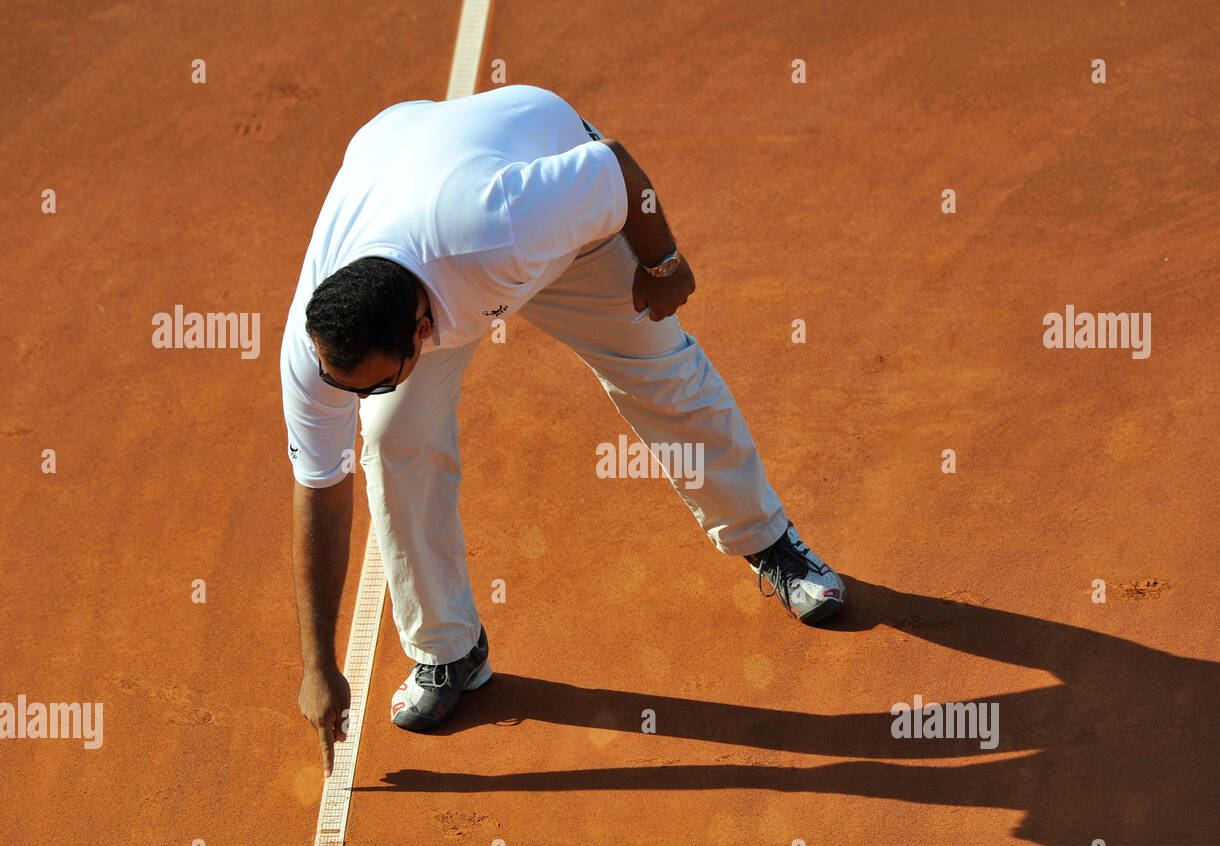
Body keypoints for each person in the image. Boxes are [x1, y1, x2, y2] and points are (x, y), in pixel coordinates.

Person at [281, 85, 845, 776]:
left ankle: (772, 545)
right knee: (393, 434)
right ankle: (449, 650)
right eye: (345, 383)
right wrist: (317, 665)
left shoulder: (509, 223)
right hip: (410, 179)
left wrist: (663, 262)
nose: (350, 396)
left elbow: (616, 171)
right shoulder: (321, 351)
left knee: (659, 367)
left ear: (423, 334)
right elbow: (322, 487)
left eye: (369, 380)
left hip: (554, 231)